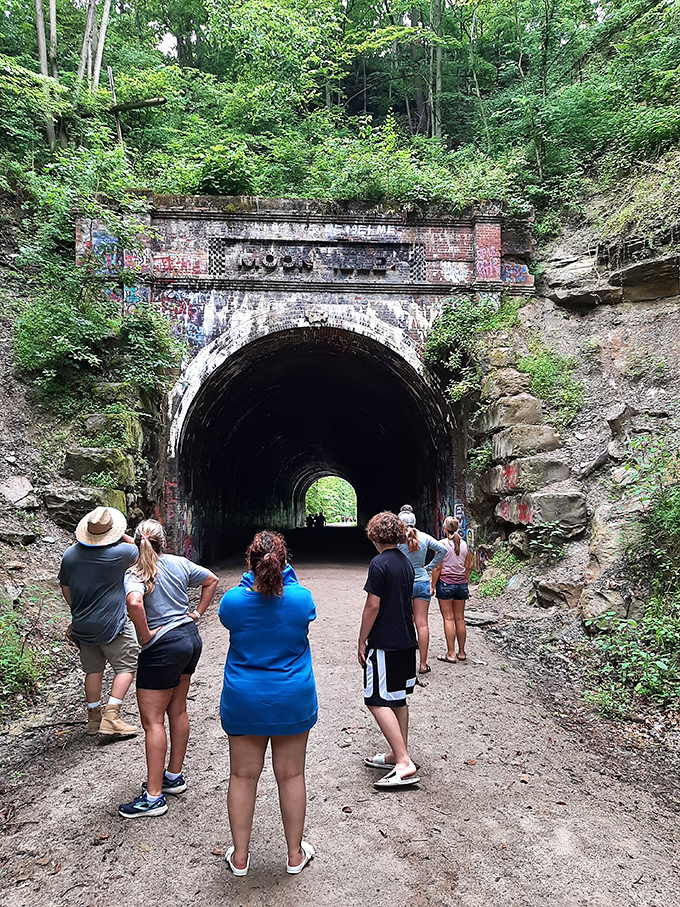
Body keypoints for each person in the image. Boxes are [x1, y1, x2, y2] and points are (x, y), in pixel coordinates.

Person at [219, 531, 318, 876]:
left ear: (250, 564)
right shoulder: (300, 599)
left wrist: (252, 580)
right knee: (291, 775)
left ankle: (241, 857)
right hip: (291, 697)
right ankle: (293, 855)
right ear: (284, 563)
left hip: (244, 698)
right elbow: (298, 610)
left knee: (242, 776)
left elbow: (237, 614)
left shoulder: (232, 601)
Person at [118, 519, 218, 818]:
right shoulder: (179, 563)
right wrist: (198, 612)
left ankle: (153, 797)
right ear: (165, 541)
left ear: (138, 543)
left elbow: (135, 603)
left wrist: (145, 635)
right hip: (189, 639)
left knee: (152, 722)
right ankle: (173, 776)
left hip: (162, 647)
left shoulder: (136, 572)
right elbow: (211, 580)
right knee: (178, 710)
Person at [59, 506, 140, 737]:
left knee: (93, 671)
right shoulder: (122, 553)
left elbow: (66, 588)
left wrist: (78, 611)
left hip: (82, 624)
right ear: (112, 531)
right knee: (126, 667)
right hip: (112, 624)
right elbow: (140, 549)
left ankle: (93, 720)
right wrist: (121, 536)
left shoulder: (70, 555)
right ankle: (112, 717)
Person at [359, 511, 420, 789]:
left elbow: (373, 605)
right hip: (407, 641)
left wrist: (362, 639)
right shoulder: (405, 563)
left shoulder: (378, 563)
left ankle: (403, 762)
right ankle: (399, 752)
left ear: (374, 536)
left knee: (375, 699)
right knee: (398, 699)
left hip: (385, 642)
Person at [396, 505, 446, 675]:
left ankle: (405, 663)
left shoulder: (398, 540)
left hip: (403, 582)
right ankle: (423, 664)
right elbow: (443, 549)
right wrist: (430, 567)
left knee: (405, 622)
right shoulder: (424, 537)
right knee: (422, 623)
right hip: (422, 582)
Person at [432, 517, 473, 664]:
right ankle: (462, 652)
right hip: (461, 585)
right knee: (460, 619)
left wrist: (432, 586)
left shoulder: (441, 545)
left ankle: (451, 653)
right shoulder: (464, 546)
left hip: (445, 584)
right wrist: (465, 582)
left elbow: (437, 568)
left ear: (445, 528)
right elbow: (467, 567)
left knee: (448, 618)